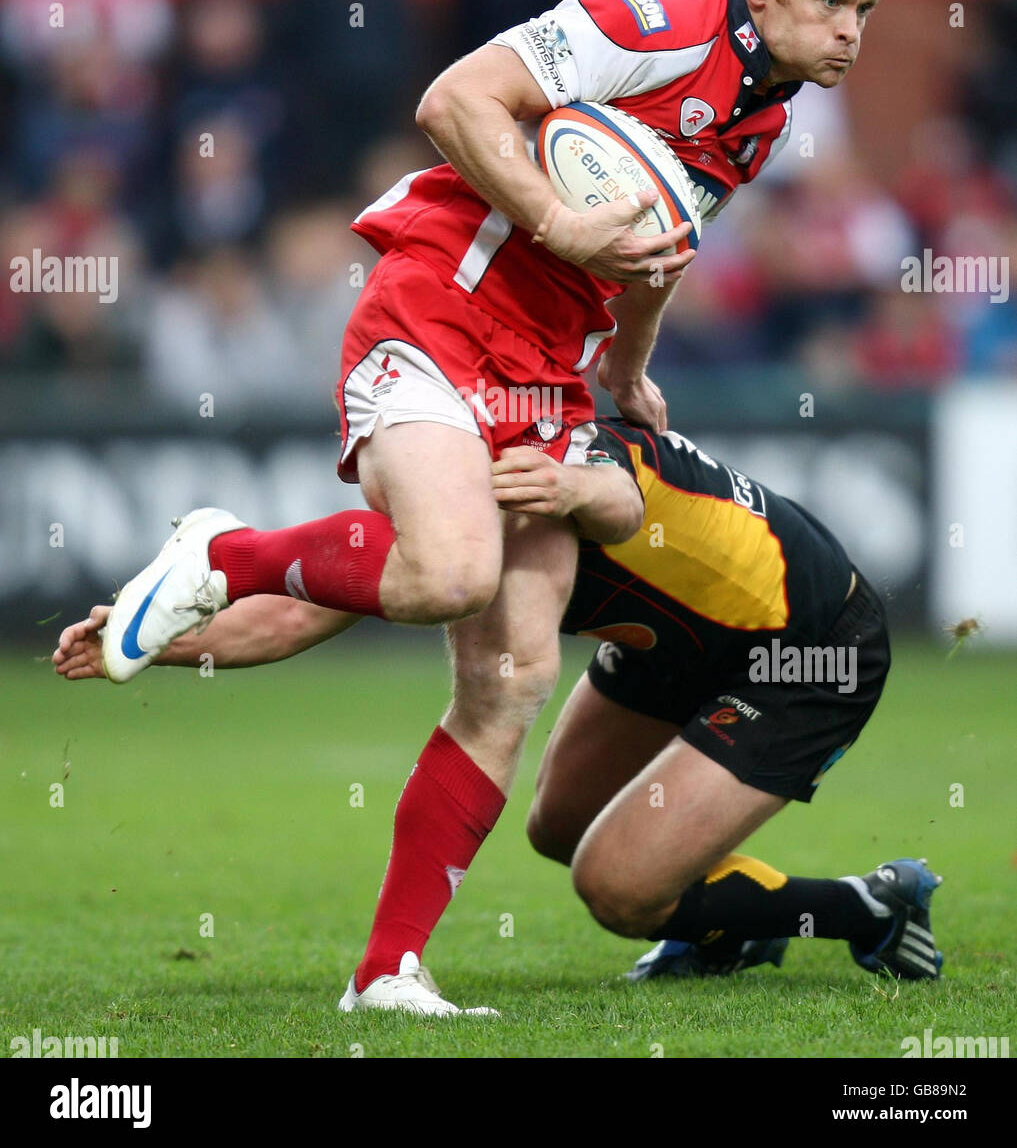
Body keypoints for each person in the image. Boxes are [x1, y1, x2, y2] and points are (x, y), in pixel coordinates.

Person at [96, 0, 909, 1011]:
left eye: (866, 11)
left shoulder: (763, 114)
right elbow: (450, 101)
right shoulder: (651, 19)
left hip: (548, 373)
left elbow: (654, 249)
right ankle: (222, 552)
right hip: (442, 305)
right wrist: (559, 223)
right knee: (447, 568)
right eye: (834, 2)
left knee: (512, 675)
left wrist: (628, 365)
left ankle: (387, 974)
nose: (852, 32)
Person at [54, 419, 943, 997]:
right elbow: (294, 611)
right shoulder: (449, 504)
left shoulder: (544, 455)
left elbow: (612, 486)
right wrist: (145, 640)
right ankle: (723, 927)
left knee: (616, 887)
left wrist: (564, 488)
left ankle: (869, 905)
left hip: (806, 646)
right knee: (557, 829)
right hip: (674, 642)